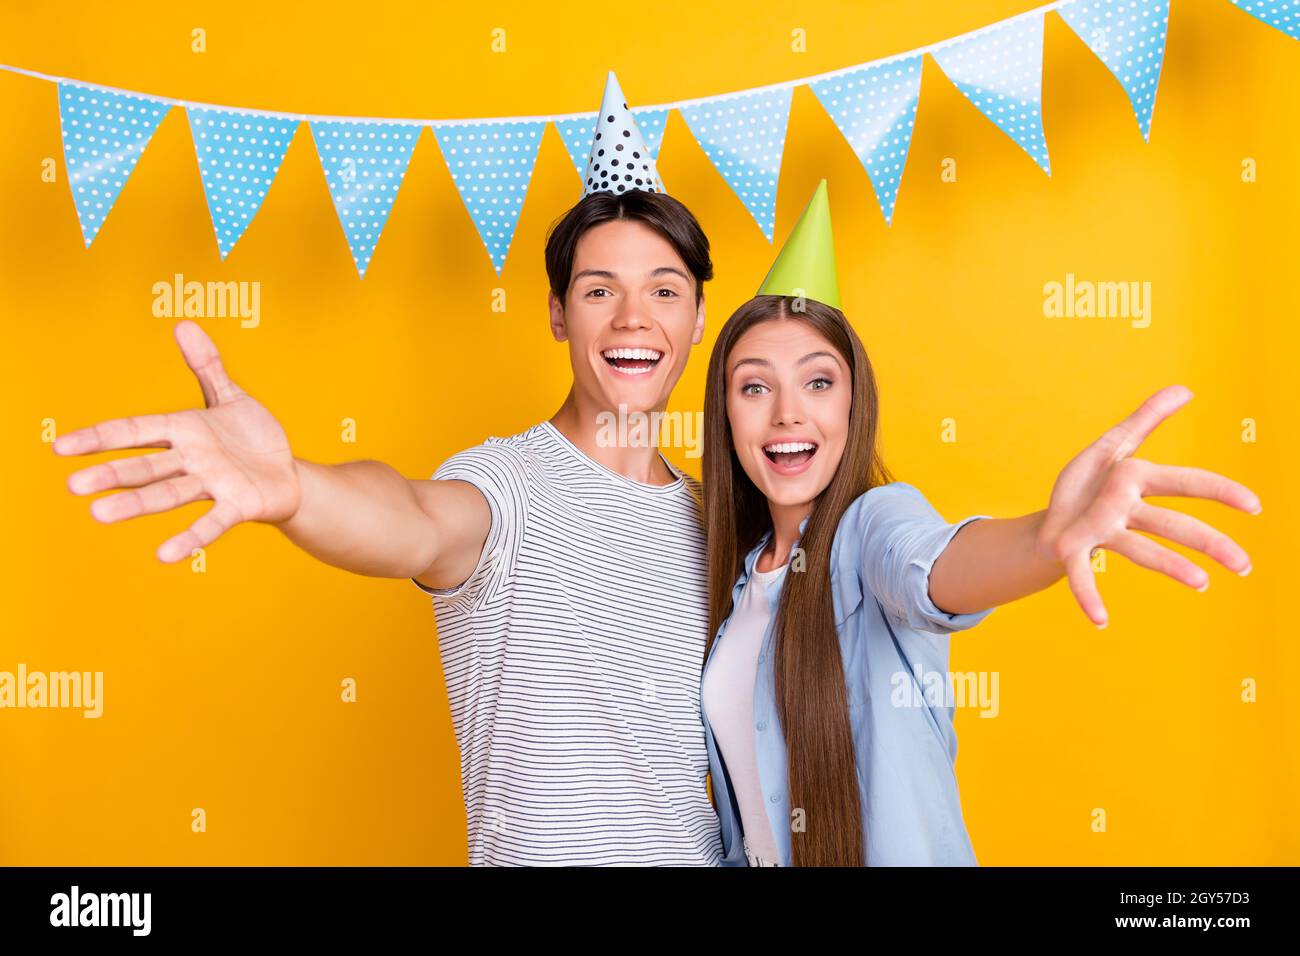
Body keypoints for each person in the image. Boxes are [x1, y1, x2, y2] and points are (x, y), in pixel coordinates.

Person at [52, 72, 725, 866]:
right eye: (598, 290)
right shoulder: (504, 487)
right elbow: (407, 515)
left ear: (698, 315)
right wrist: (298, 488)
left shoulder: (718, 519)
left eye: (664, 290)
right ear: (556, 312)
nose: (632, 318)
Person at [699, 180, 1262, 867]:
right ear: (725, 417)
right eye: (755, 386)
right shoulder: (734, 584)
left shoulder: (873, 524)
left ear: (854, 405)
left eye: (818, 381)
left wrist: (1043, 540)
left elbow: (933, 569)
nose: (787, 412)